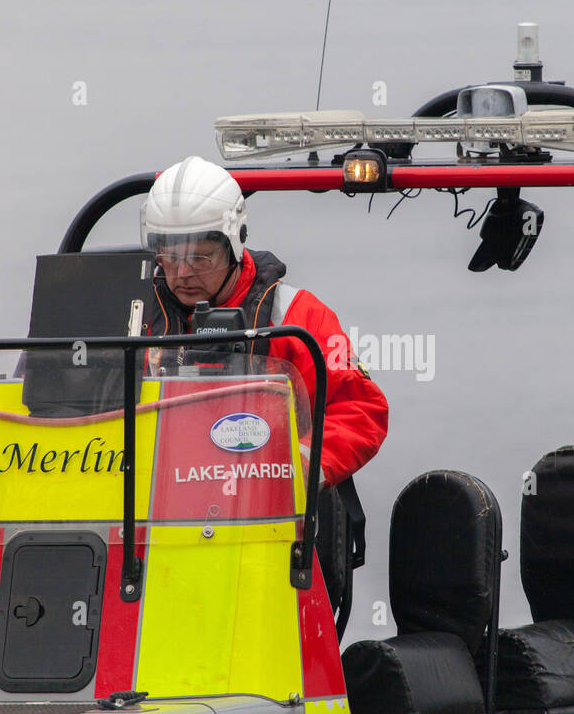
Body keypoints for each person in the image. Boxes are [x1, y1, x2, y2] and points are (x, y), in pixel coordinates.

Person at [140, 156, 388, 491]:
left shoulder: (297, 317)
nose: (183, 272)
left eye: (200, 257)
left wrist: (294, 465)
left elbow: (360, 408)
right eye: (170, 257)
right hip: (148, 513)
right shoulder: (132, 314)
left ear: (235, 244)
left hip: (262, 518)